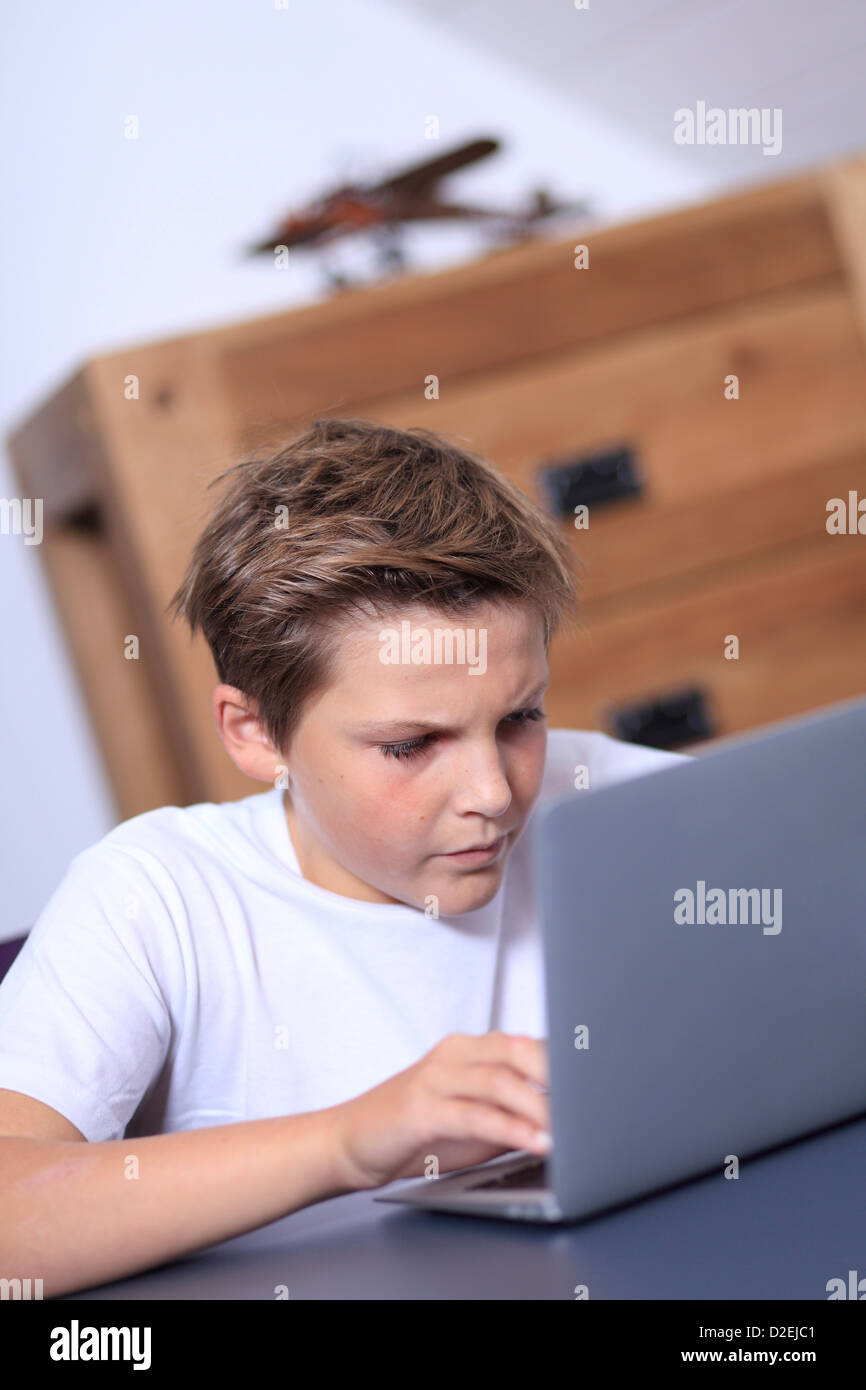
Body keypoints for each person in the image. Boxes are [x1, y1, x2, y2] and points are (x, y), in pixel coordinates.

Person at [0, 418, 688, 1295]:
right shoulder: (156, 894)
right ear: (256, 735)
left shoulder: (611, 798)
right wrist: (348, 1142)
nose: (495, 791)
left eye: (520, 717)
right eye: (411, 744)